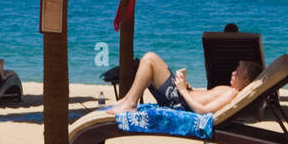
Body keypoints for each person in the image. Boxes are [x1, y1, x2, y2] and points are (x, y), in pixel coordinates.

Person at [106, 50, 260, 115]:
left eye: (238, 73)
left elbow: (204, 111)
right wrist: (187, 87)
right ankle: (128, 100)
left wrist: (183, 90)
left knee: (149, 59)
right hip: (180, 97)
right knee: (149, 60)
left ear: (246, 81)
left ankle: (130, 103)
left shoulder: (231, 93)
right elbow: (203, 97)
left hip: (179, 104)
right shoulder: (228, 89)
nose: (233, 72)